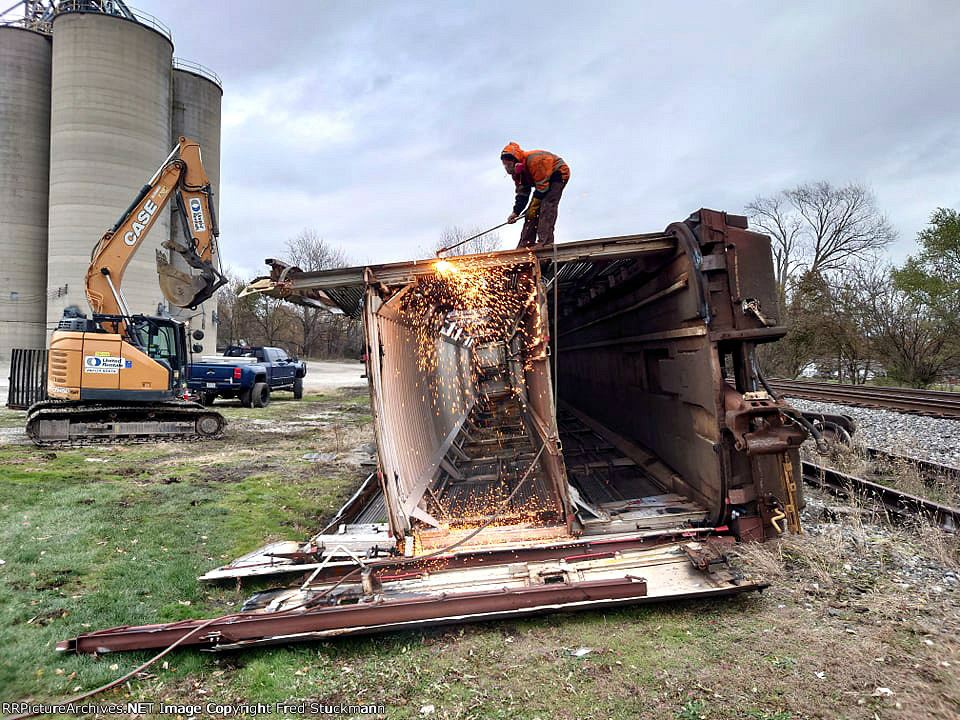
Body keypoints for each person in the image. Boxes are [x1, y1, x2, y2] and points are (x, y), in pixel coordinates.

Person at [500, 142, 570, 248]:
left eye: (508, 164)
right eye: (505, 165)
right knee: (530, 213)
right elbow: (522, 194)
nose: (507, 167)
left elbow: (542, 187)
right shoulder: (517, 174)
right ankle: (525, 244)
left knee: (547, 205)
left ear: (515, 160)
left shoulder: (535, 160)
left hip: (557, 174)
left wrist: (533, 206)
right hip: (541, 183)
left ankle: (545, 242)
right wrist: (516, 212)